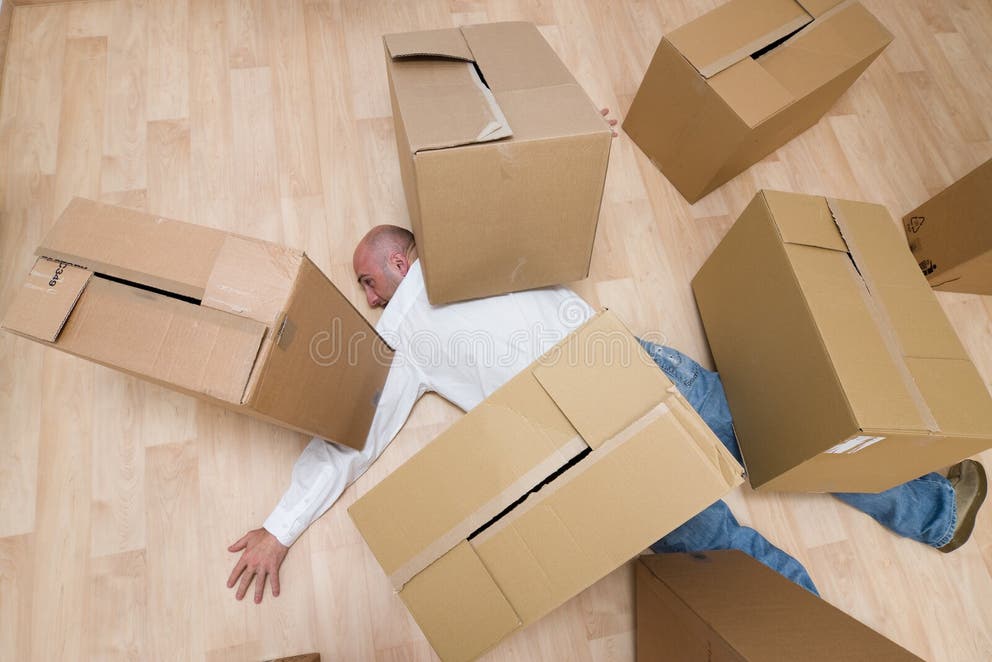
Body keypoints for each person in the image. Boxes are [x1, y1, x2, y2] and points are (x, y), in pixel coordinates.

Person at [226, 223, 988, 602]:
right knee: (775, 449)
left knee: (716, 548)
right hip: (612, 382)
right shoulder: (467, 261)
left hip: (589, 431)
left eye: (366, 279)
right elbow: (358, 432)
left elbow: (351, 436)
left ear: (401, 260)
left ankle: (813, 625)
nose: (365, 298)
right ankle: (934, 513)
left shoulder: (408, 320)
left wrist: (280, 529)